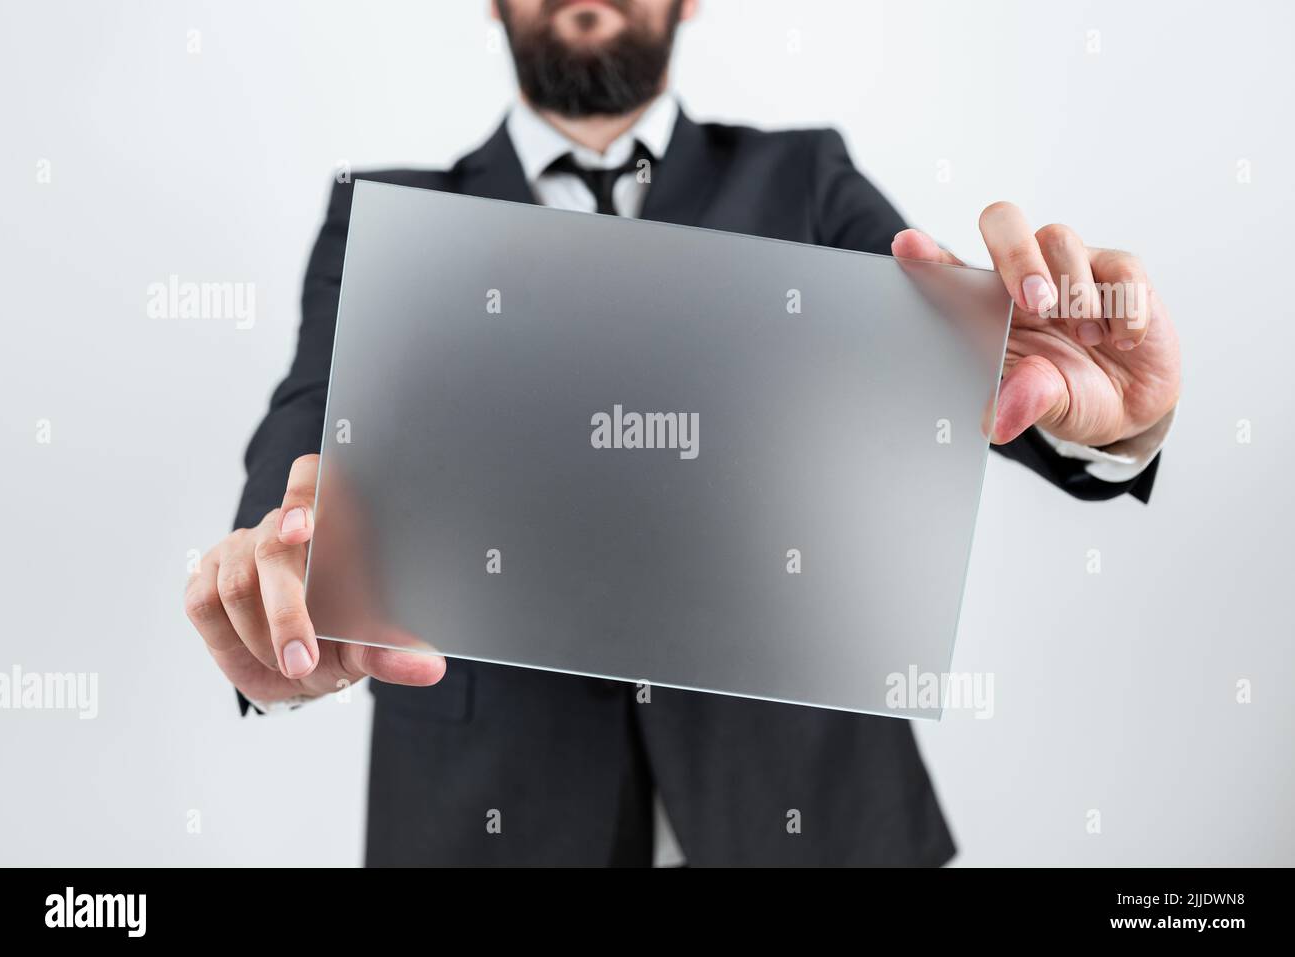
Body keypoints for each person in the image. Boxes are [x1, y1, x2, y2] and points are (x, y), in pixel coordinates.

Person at [184, 0, 1180, 866]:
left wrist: (1103, 417)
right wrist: (275, 568)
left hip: (806, 810)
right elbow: (309, 409)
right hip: (487, 813)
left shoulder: (805, 175)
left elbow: (964, 379)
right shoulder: (386, 212)